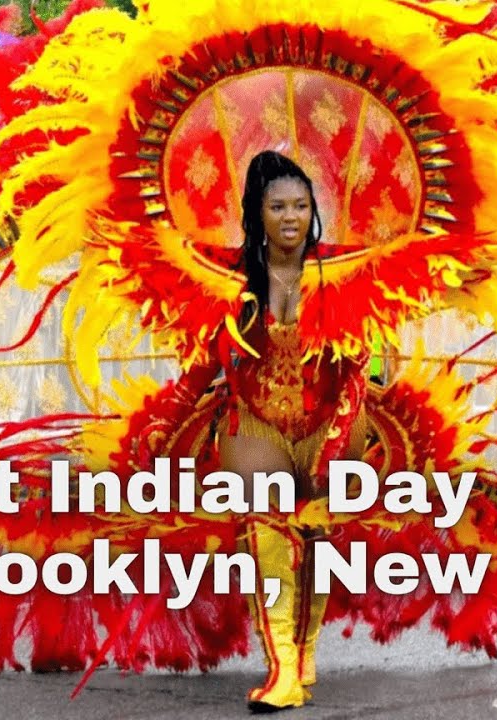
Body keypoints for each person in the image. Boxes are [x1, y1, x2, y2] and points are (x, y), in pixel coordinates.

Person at [140, 151, 367, 712]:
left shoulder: (339, 272)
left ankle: (307, 645)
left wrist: (336, 440)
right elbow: (201, 362)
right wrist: (167, 418)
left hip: (329, 417)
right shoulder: (229, 278)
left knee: (316, 533)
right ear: (256, 212)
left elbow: (358, 366)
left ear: (314, 210)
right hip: (257, 420)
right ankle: (282, 668)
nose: (291, 216)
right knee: (265, 526)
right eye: (277, 206)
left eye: (301, 204)